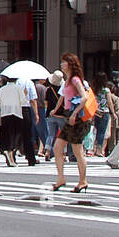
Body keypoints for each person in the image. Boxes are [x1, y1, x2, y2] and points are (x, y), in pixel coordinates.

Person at [51, 53, 91, 193]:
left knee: (77, 151)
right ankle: (61, 178)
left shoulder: (75, 80)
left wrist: (74, 113)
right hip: (70, 117)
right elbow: (63, 98)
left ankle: (83, 181)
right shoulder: (67, 81)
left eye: (64, 62)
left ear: (70, 64)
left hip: (77, 118)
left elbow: (84, 97)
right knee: (57, 147)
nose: (62, 65)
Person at [0, 74, 25, 166]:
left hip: (5, 114)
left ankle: (8, 152)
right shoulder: (18, 88)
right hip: (16, 113)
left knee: (7, 135)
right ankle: (11, 154)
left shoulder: (2, 89)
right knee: (16, 135)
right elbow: (23, 101)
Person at [91, 75, 113, 158]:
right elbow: (109, 102)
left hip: (96, 112)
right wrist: (113, 113)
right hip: (104, 112)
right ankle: (99, 150)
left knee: (96, 131)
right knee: (102, 132)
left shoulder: (94, 90)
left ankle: (94, 148)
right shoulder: (106, 90)